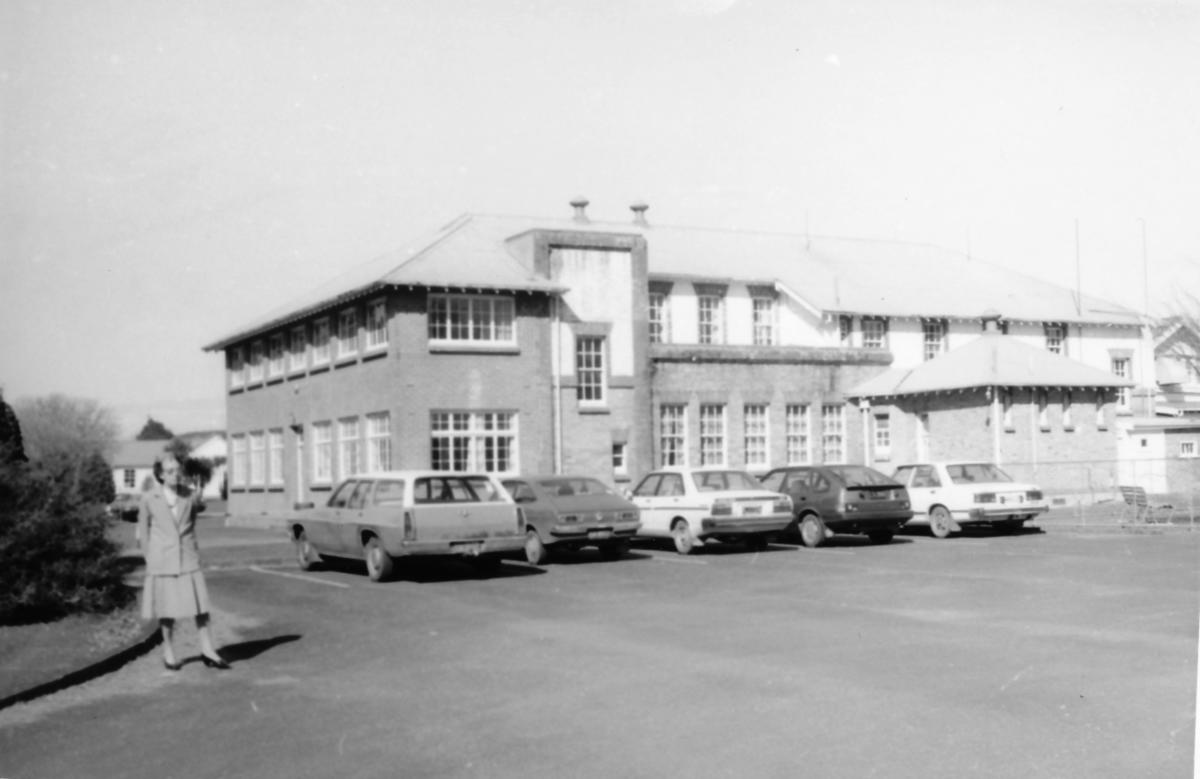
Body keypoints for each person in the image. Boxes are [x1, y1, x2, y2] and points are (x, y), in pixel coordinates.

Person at [137, 454, 230, 671]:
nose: (175, 475)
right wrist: (150, 558)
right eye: (169, 471)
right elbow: (143, 531)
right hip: (162, 560)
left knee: (201, 607)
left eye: (177, 470)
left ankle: (208, 650)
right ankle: (169, 652)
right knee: (166, 610)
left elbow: (192, 524)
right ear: (160, 474)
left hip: (188, 557)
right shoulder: (149, 498)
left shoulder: (189, 496)